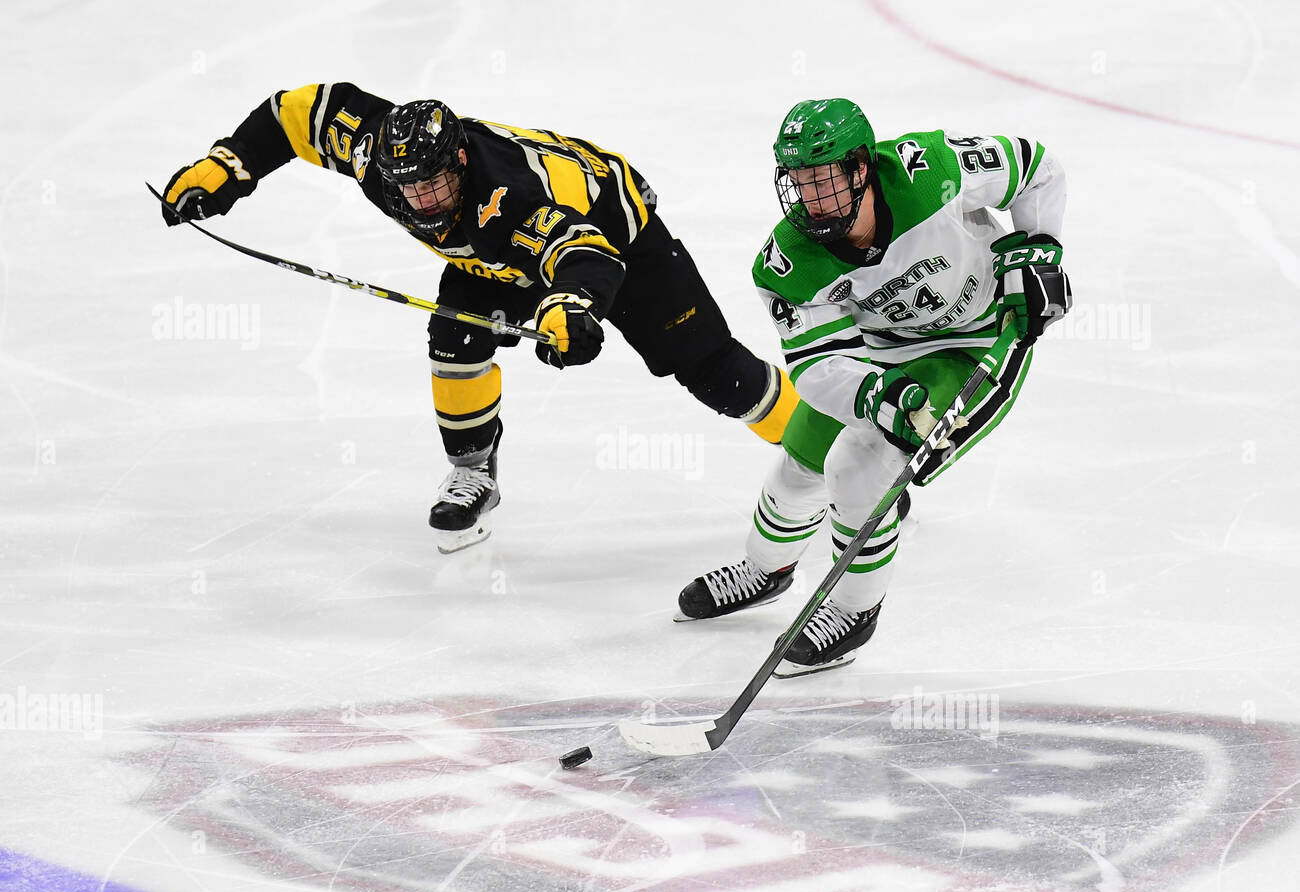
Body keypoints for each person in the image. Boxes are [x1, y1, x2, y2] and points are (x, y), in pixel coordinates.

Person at [160, 83, 799, 551]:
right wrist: (228, 167)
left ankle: (830, 452)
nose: (421, 202)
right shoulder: (379, 156)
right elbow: (296, 113)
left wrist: (569, 309)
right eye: (407, 189)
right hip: (502, 259)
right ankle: (473, 471)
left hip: (612, 235)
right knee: (456, 338)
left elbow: (584, 255)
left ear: (459, 161)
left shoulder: (504, 199)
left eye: (434, 186)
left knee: (716, 373)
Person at [676, 98, 1071, 676]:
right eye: (799, 182)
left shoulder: (932, 168)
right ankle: (767, 570)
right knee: (800, 462)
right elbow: (818, 369)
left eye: (823, 180)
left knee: (858, 469)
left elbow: (1039, 168)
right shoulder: (789, 262)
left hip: (975, 345)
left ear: (861, 168)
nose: (810, 198)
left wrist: (1042, 248)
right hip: (882, 358)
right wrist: (881, 398)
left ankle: (853, 612)